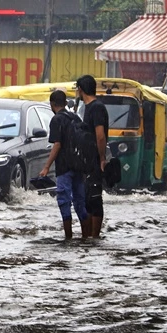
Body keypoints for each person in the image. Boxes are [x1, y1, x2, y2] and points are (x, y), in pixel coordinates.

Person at [39, 89, 87, 240]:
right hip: (79, 166)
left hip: (64, 168)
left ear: (52, 104)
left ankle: (68, 237)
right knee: (80, 201)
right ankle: (86, 237)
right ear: (65, 103)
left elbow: (57, 145)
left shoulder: (56, 120)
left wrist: (46, 166)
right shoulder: (76, 118)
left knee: (64, 201)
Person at [77, 74, 108, 239]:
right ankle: (87, 236)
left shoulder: (96, 108)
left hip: (95, 161)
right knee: (87, 198)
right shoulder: (87, 108)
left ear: (81, 89)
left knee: (95, 198)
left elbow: (100, 135)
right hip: (86, 161)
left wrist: (102, 158)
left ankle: (95, 236)